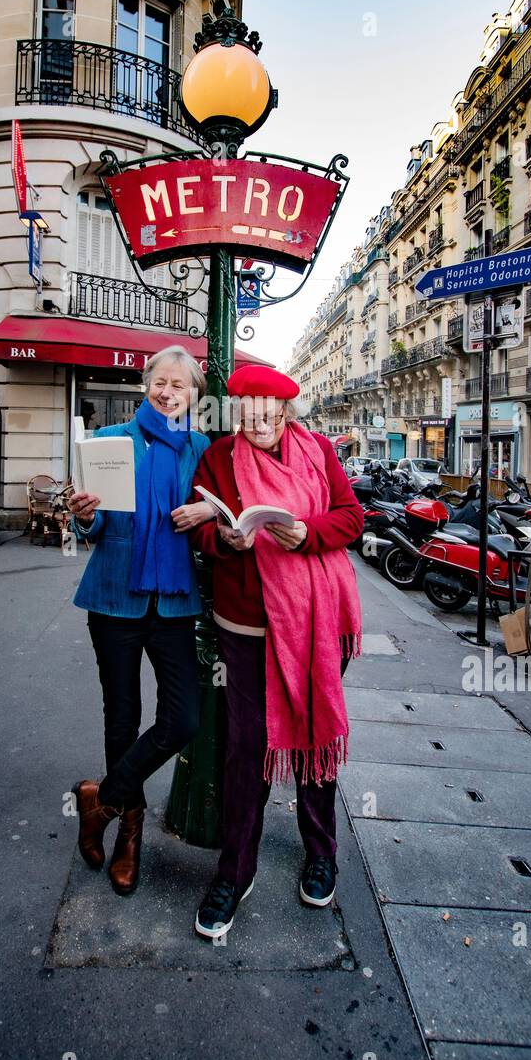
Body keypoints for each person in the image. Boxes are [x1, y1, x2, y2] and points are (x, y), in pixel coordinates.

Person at [189, 365, 365, 940]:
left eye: (270, 409)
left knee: (316, 731)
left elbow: (351, 518)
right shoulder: (218, 459)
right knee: (246, 749)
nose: (260, 419)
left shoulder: (317, 451)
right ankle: (235, 872)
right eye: (249, 409)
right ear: (236, 413)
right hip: (245, 623)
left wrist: (308, 533)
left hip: (317, 620)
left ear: (285, 412)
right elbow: (200, 530)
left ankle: (322, 853)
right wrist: (226, 538)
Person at [67, 348, 215, 896]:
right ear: (145, 385)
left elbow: (222, 512)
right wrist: (87, 515)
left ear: (194, 395)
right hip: (114, 599)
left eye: (180, 384)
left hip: (175, 602)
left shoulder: (203, 450)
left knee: (183, 719)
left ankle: (99, 799)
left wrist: (207, 512)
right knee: (121, 716)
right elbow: (97, 520)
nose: (168, 391)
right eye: (160, 381)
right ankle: (130, 833)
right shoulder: (111, 442)